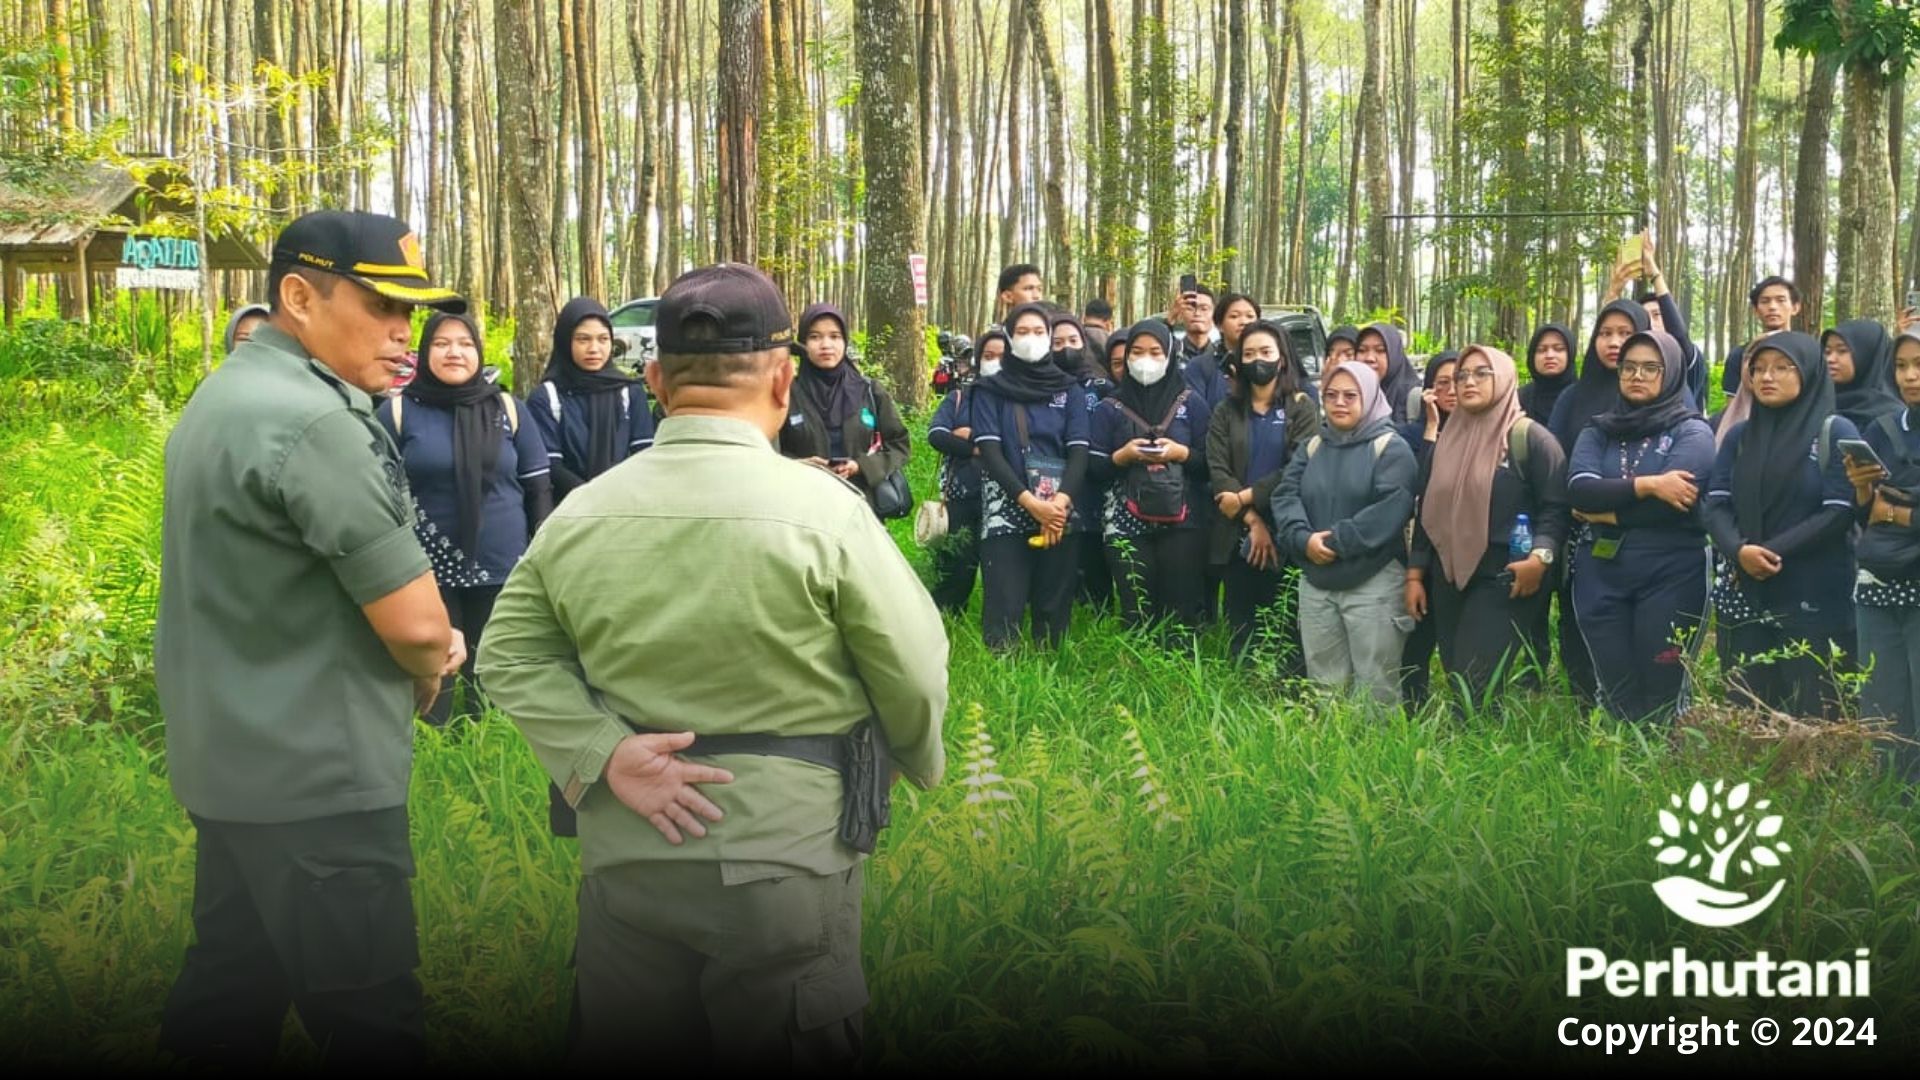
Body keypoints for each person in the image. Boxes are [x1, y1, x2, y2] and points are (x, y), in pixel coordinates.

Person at [477, 262, 947, 1068]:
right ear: (783, 380)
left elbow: (508, 653)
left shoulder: (582, 513)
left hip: (628, 854)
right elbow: (914, 668)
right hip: (788, 854)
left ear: (656, 381)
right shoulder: (826, 514)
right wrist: (912, 760)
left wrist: (601, 753)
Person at [155, 210, 467, 1068]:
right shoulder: (315, 421)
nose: (403, 330)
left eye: (410, 311)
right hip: (320, 786)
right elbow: (416, 627)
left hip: (231, 767)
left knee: (227, 998)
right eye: (380, 305)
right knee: (369, 1020)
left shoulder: (227, 393)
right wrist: (433, 658)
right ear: (299, 296)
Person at [373, 312, 551, 726]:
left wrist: (540, 554)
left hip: (501, 563)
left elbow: (538, 487)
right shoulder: (397, 412)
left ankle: (489, 749)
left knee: (493, 677)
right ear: (424, 352)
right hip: (423, 570)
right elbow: (378, 493)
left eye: (465, 344)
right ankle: (436, 750)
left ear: (479, 352)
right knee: (435, 677)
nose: (454, 352)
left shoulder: (509, 409)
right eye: (441, 344)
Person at [1703, 331, 1859, 718]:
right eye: (1758, 369)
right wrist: (1738, 550)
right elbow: (1716, 503)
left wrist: (1769, 552)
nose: (1766, 377)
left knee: (1815, 714)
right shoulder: (1740, 435)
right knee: (1747, 712)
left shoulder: (1835, 432)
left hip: (1814, 596)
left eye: (1781, 368)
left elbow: (1838, 511)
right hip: (1746, 593)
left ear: (1808, 372)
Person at [1565, 331, 1715, 723]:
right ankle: (1619, 757)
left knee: (1664, 683)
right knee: (1613, 682)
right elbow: (1580, 490)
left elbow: (1675, 508)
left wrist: (1609, 513)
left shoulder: (1692, 431)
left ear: (1672, 373)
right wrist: (1648, 485)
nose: (1637, 375)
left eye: (1651, 368)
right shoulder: (1599, 429)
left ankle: (1663, 756)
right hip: (1601, 572)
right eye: (1629, 367)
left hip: (1672, 570)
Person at [1407, 345, 1569, 705]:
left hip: (1505, 575)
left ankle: (1476, 738)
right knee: (1457, 675)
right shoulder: (1446, 441)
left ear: (1505, 379)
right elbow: (1428, 509)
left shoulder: (1530, 439)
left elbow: (1557, 509)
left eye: (1482, 373)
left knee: (1475, 681)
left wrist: (1540, 558)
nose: (1469, 382)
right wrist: (1415, 575)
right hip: (1447, 575)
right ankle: (1474, 737)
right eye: (1462, 375)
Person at [1273, 363, 1417, 706]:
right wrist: (1303, 539)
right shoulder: (1312, 447)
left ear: (1369, 397)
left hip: (1373, 581)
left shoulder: (1391, 449)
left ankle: (1376, 742)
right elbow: (1285, 495)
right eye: (1331, 395)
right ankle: (1330, 741)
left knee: (1376, 686)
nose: (1339, 402)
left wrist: (1336, 542)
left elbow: (1391, 508)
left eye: (1350, 395)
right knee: (1323, 683)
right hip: (1317, 581)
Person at [1545, 300, 1652, 703]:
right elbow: (1554, 460)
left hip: (1648, 536)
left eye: (1625, 333)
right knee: (1579, 623)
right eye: (1605, 333)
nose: (1614, 342)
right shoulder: (1573, 398)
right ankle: (1584, 707)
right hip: (1580, 532)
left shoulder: (1662, 398)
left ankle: (1639, 713)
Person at [971, 302, 1090, 648]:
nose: (1030, 338)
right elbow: (990, 452)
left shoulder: (1070, 390)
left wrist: (1058, 504)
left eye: (1039, 332)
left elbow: (1079, 450)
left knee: (1054, 606)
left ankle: (1051, 666)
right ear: (1008, 338)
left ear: (1049, 337)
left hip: (1059, 509)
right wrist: (1030, 503)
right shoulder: (989, 390)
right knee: (1004, 604)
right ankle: (1002, 670)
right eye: (1022, 332)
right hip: (1007, 505)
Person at [1090, 320, 1214, 636]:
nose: (1145, 359)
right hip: (1125, 523)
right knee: (1135, 607)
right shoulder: (1109, 408)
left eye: (1155, 352)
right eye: (1137, 352)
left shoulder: (1191, 403)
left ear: (1170, 355)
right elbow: (1093, 467)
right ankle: (1134, 661)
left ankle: (1178, 662)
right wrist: (1123, 456)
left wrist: (1180, 453)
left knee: (1180, 610)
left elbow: (1210, 464)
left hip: (1184, 521)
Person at [1208, 319, 1321, 662]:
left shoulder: (1301, 407)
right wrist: (1252, 519)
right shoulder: (1226, 410)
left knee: (1286, 623)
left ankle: (1287, 684)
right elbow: (1218, 470)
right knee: (1241, 624)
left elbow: (1298, 467)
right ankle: (1241, 683)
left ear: (1281, 358)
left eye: (1266, 352)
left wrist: (1245, 497)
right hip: (1236, 530)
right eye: (1249, 353)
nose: (1258, 360)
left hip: (1288, 526)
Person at [1849, 329, 1920, 784]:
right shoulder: (1884, 428)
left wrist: (1894, 512)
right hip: (1880, 586)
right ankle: (1890, 807)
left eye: (1919, 365)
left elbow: (1883, 512)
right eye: (1901, 366)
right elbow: (1863, 512)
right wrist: (1862, 489)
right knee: (1884, 708)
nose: (1910, 376)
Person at [778, 303, 912, 517]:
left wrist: (861, 466)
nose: (826, 345)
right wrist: (799, 466)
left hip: (861, 509)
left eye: (834, 336)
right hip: (803, 512)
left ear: (845, 341)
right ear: (803, 343)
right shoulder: (786, 393)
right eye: (814, 337)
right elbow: (767, 451)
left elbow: (899, 444)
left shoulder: (869, 391)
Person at [532, 297, 656, 503]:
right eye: (583, 339)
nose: (594, 348)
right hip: (568, 507)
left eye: (603, 339)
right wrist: (592, 498)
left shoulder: (629, 392)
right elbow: (551, 464)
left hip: (623, 504)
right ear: (565, 341)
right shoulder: (547, 396)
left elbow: (642, 454)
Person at [926, 330, 1003, 614]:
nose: (996, 362)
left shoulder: (1019, 402)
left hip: (1006, 501)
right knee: (954, 570)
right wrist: (978, 447)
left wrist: (969, 434)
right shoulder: (959, 398)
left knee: (1002, 575)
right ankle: (944, 623)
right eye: (989, 356)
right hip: (960, 497)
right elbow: (937, 434)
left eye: (1003, 356)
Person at [1401, 351, 1458, 705]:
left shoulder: (1489, 433)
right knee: (1417, 639)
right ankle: (1413, 708)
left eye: (1458, 380)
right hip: (1422, 548)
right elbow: (1421, 485)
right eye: (1442, 383)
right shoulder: (1409, 434)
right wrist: (1432, 427)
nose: (1452, 390)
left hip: (1464, 552)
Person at [1053, 314, 1116, 607]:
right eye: (1057, 342)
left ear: (1084, 343)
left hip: (1095, 480)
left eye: (1073, 340)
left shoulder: (1101, 387)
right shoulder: (1040, 387)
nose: (1066, 348)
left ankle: (1098, 609)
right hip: (1053, 479)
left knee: (1094, 548)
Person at [1723, 276, 1803, 395]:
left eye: (1781, 300)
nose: (1772, 307)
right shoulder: (1740, 355)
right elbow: (1734, 403)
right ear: (1756, 310)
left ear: (1795, 307)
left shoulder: (1807, 353)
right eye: (1765, 301)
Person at [1824, 318, 1902, 431]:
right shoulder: (1817, 404)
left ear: (1866, 356)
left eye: (1842, 351)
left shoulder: (1893, 417)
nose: (1830, 359)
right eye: (1827, 352)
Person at [1353, 323, 1422, 432]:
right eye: (1362, 350)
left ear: (1394, 355)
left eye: (1380, 350)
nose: (1369, 358)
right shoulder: (1348, 395)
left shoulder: (1415, 398)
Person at [1517, 323, 1575, 426]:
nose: (1549, 355)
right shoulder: (1519, 399)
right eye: (1541, 350)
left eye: (1558, 349)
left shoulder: (1585, 396)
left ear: (1570, 354)